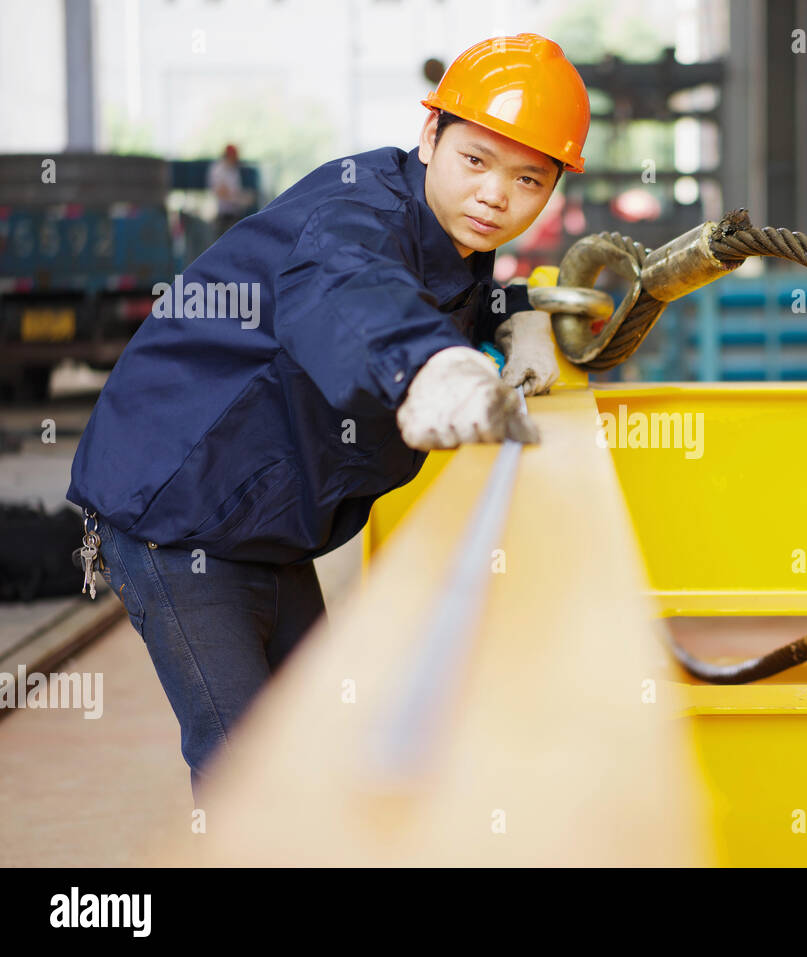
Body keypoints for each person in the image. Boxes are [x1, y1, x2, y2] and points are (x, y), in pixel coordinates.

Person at [65, 33, 590, 801]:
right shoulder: (355, 211)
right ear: (430, 136)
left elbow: (435, 294)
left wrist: (516, 312)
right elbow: (351, 291)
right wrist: (426, 366)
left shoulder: (449, 238)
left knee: (315, 741)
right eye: (476, 161)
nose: (495, 196)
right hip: (175, 514)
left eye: (528, 180)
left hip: (267, 523)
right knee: (248, 772)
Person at [207, 144, 253, 238]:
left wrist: (244, 197)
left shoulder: (234, 169)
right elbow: (221, 193)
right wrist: (240, 200)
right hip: (224, 217)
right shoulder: (218, 170)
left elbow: (235, 191)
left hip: (236, 214)